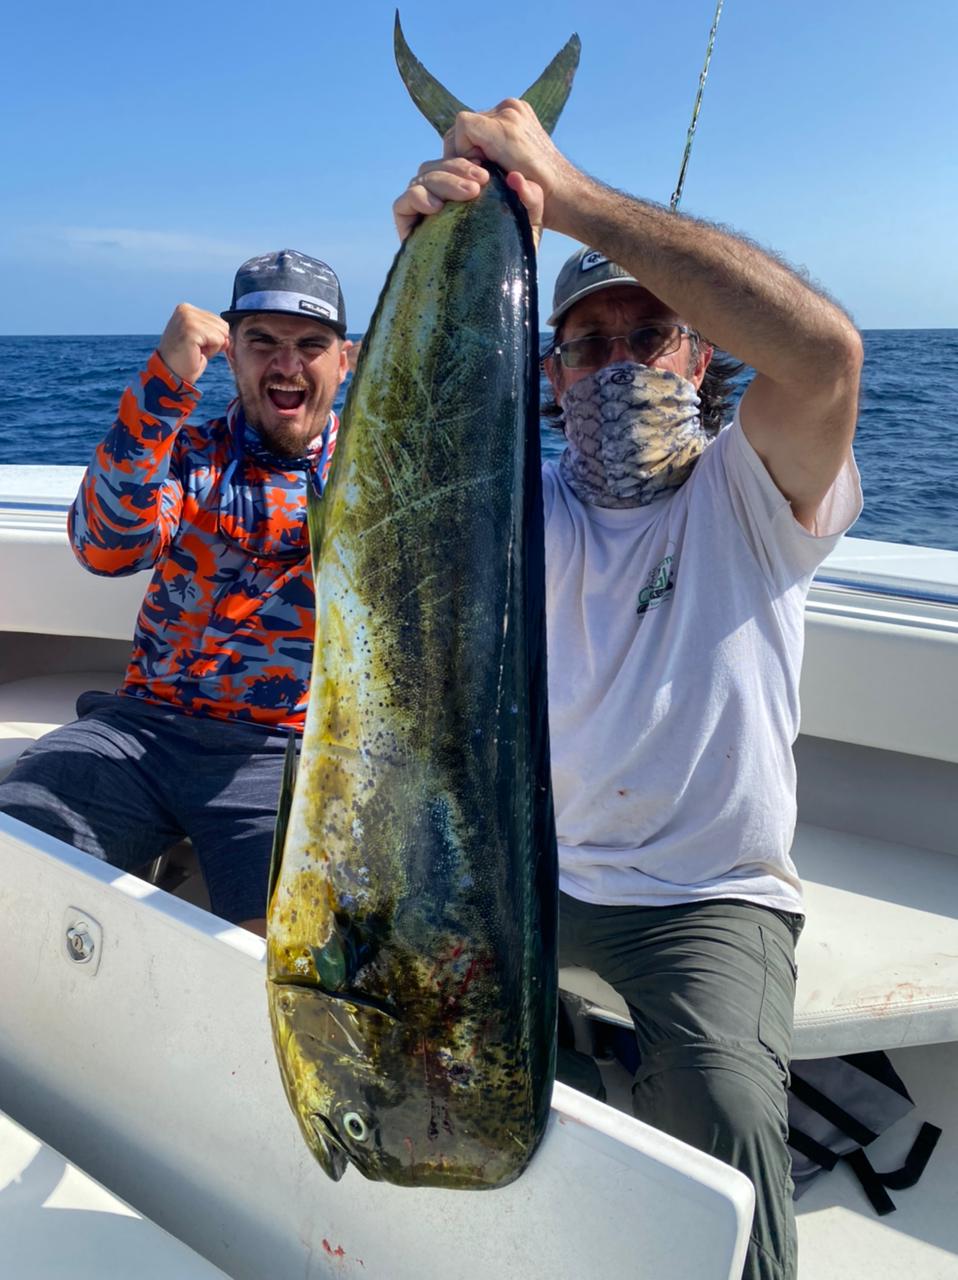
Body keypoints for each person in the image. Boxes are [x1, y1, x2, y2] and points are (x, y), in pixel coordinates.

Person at [393, 101, 863, 1280]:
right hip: (525, 872)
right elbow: (396, 479)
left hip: (706, 895)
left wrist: (575, 200)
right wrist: (429, 266)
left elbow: (825, 358)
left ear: (699, 356)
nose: (617, 364)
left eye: (648, 335)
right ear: (549, 375)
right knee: (430, 1065)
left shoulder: (754, 494)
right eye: (588, 345)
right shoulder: (518, 501)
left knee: (727, 1111)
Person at [0, 249, 351, 934]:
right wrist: (163, 384)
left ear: (345, 361)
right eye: (262, 342)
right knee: (17, 862)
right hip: (138, 734)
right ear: (230, 352)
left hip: (287, 754)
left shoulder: (375, 479)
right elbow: (105, 549)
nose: (287, 365)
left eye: (311, 345)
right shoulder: (186, 456)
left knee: (290, 957)